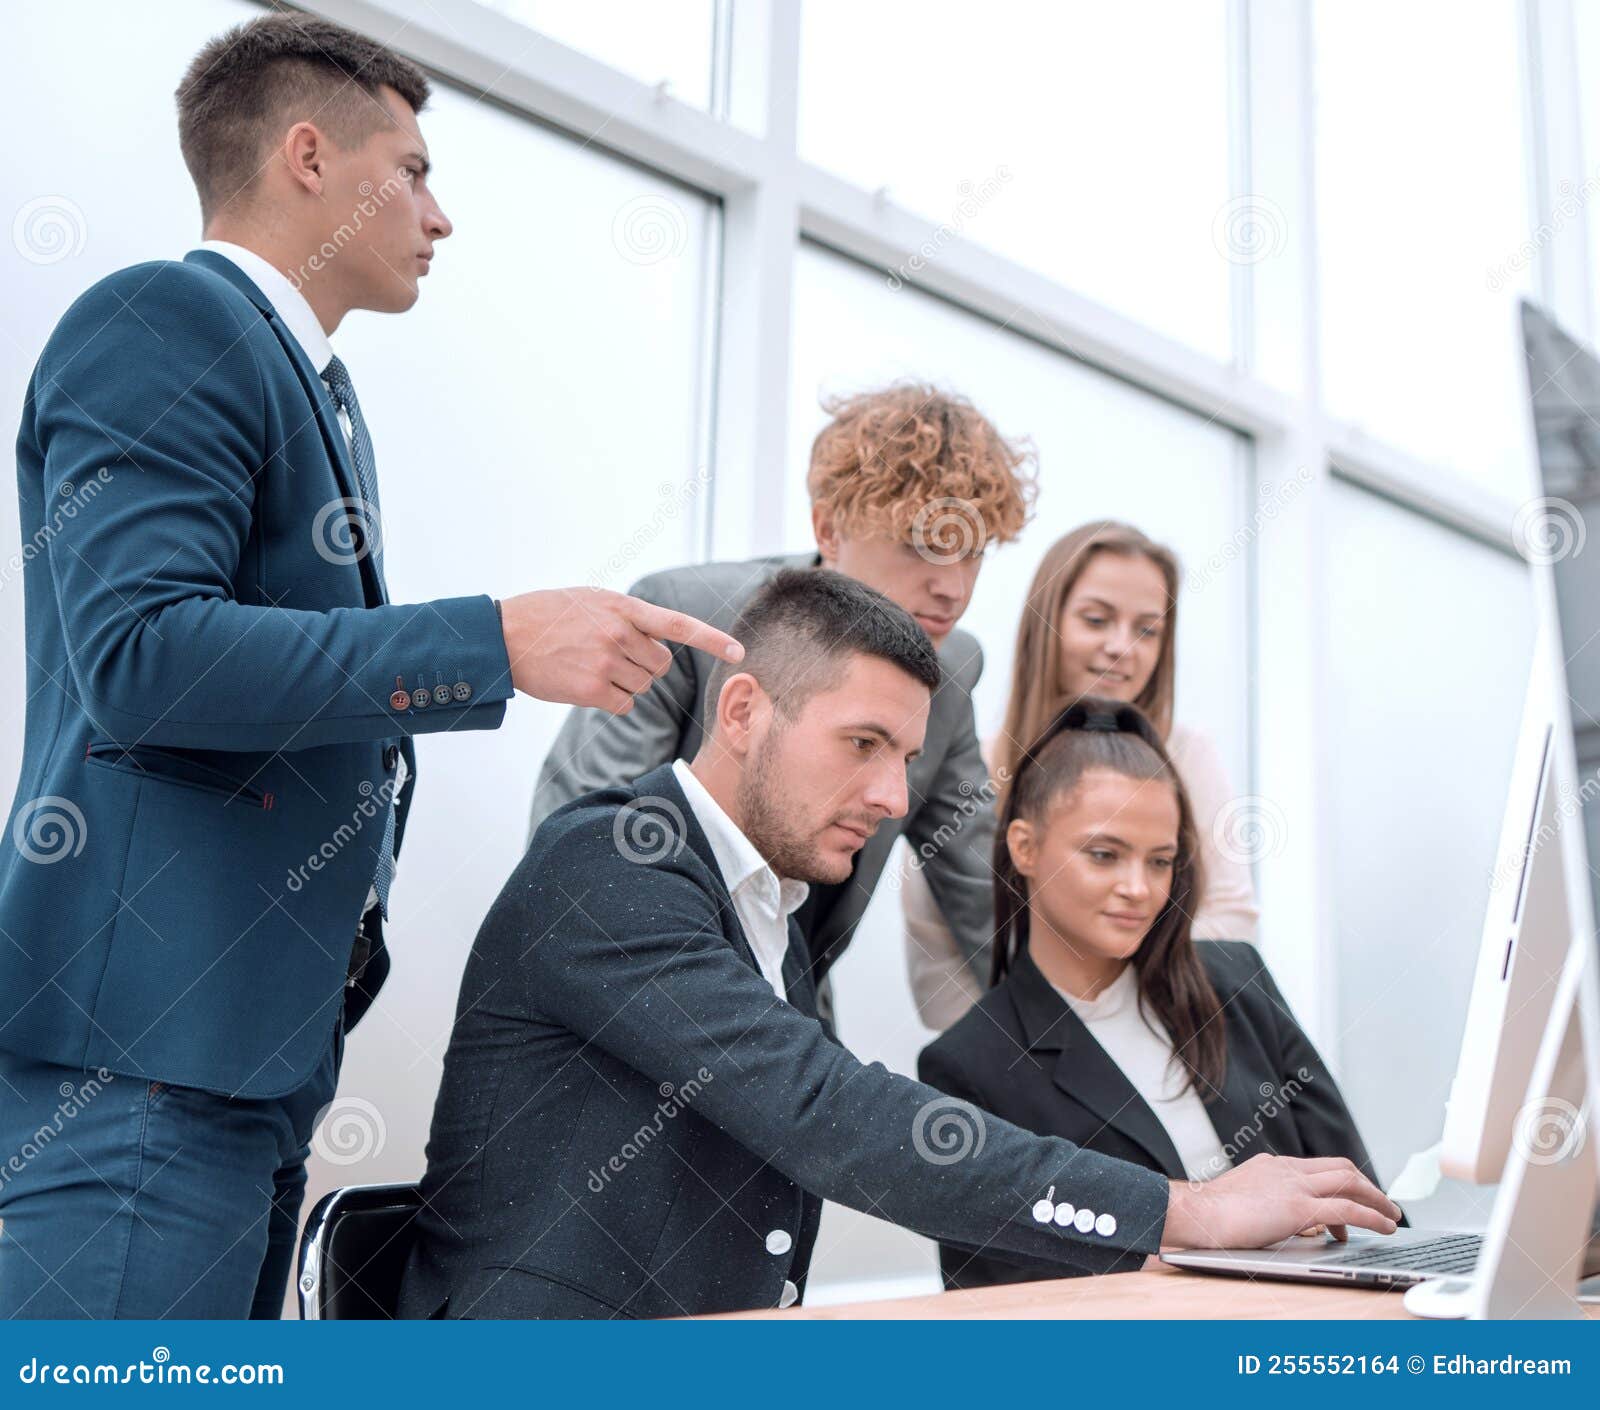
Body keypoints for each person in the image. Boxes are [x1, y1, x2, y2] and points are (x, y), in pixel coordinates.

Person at [0, 13, 738, 1320]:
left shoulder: (319, 391)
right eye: (413, 171)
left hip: (245, 1070)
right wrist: (493, 641)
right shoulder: (167, 318)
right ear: (307, 157)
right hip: (141, 1060)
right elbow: (141, 655)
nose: (439, 216)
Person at [401, 571, 1399, 1319]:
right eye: (863, 744)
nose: (892, 798)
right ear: (742, 711)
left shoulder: (768, 910)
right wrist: (1183, 1211)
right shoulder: (607, 867)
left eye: (908, 759)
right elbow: (825, 1111)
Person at [530, 383, 1037, 1018]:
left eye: (974, 551)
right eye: (921, 544)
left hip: (799, 1010)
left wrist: (1076, 1034)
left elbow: (981, 890)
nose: (953, 589)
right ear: (829, 527)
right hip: (635, 1000)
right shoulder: (687, 618)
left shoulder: (952, 670)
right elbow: (577, 845)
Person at [918, 699, 1391, 1291]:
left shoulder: (1236, 981)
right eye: (1104, 855)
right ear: (1024, 847)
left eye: (1160, 861)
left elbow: (1365, 1204)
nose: (1139, 888)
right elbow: (1000, 1303)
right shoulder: (970, 1065)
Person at [903, 519, 1258, 1029]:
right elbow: (938, 976)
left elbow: (1233, 924)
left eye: (1147, 630)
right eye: (1096, 620)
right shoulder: (970, 770)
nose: (1122, 647)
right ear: (1045, 624)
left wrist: (1112, 1021)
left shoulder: (1187, 755)